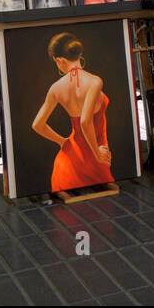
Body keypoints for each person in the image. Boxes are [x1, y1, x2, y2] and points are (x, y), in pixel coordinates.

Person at [30, 31, 114, 192]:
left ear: (59, 61)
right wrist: (97, 153)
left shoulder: (55, 88)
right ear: (78, 55)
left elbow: (37, 125)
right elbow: (85, 121)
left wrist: (63, 142)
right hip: (95, 157)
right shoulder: (94, 81)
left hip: (68, 161)